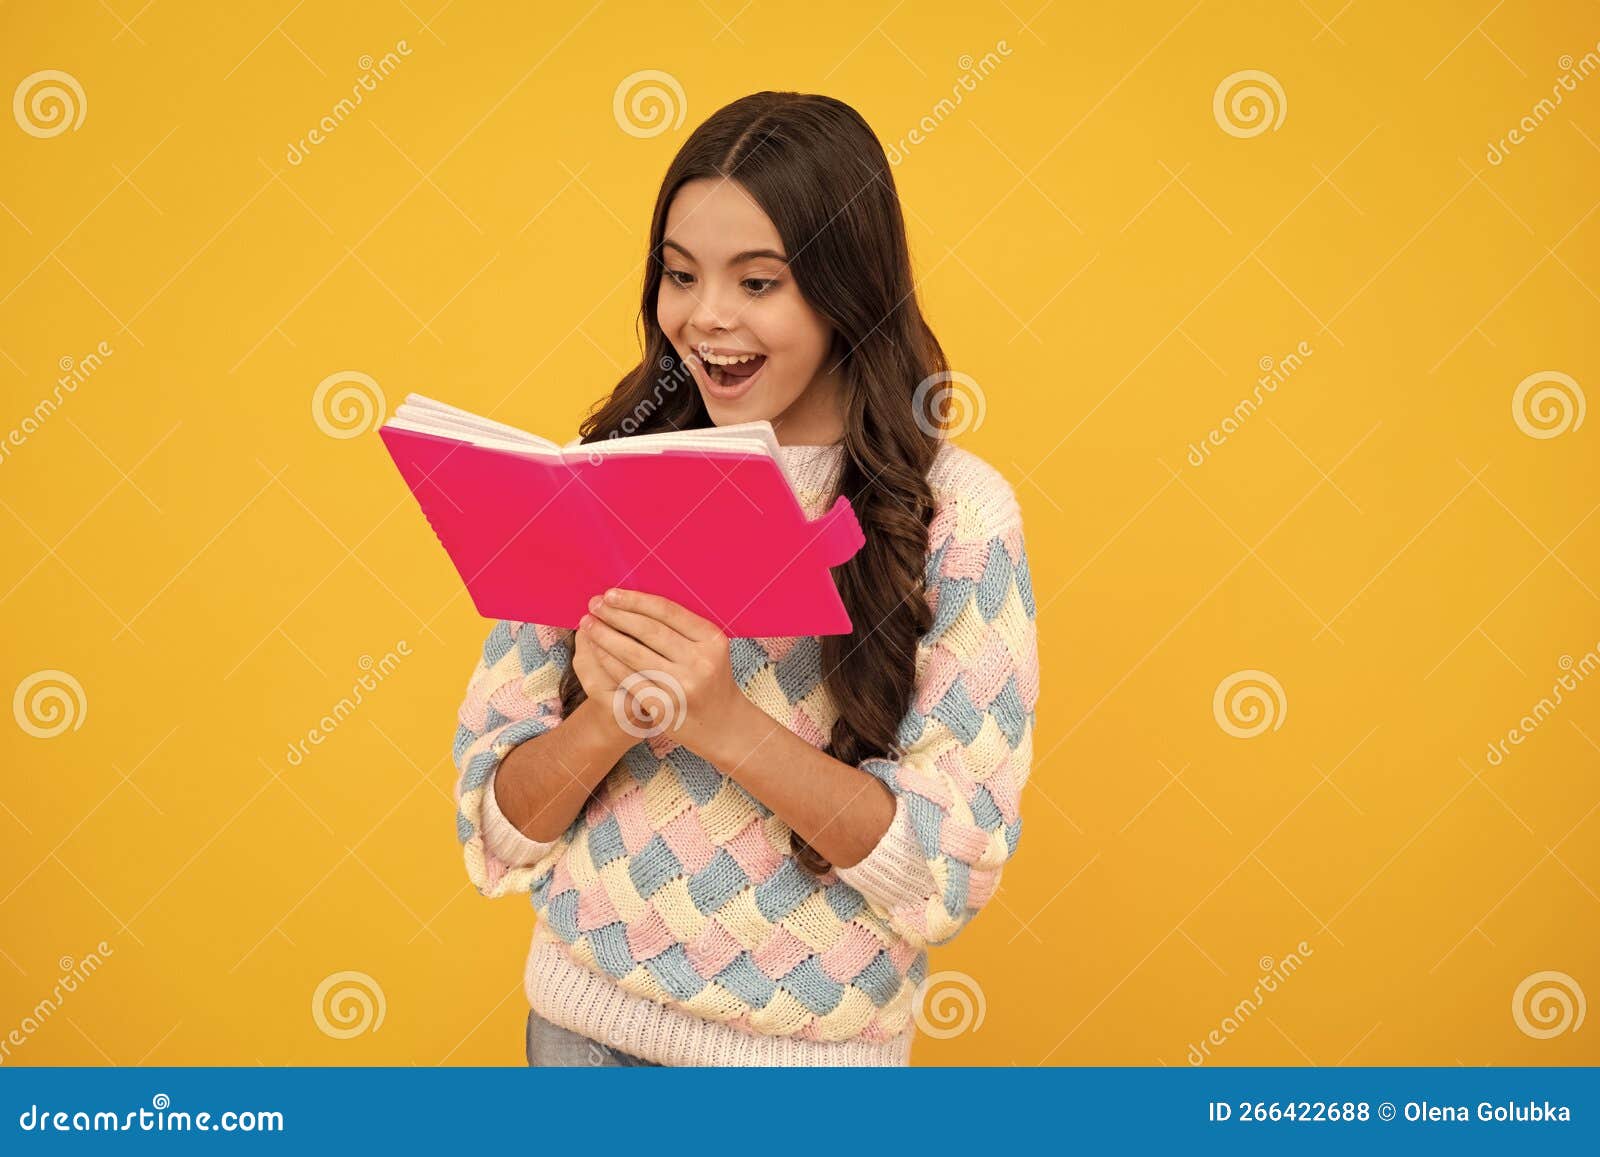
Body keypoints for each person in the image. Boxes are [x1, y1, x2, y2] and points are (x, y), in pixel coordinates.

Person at [450, 90, 1040, 1067]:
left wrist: (719, 717)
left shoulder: (959, 521)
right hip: (574, 1040)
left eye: (758, 281)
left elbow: (947, 872)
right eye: (679, 275)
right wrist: (615, 711)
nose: (706, 316)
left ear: (845, 287)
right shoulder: (601, 475)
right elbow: (499, 830)